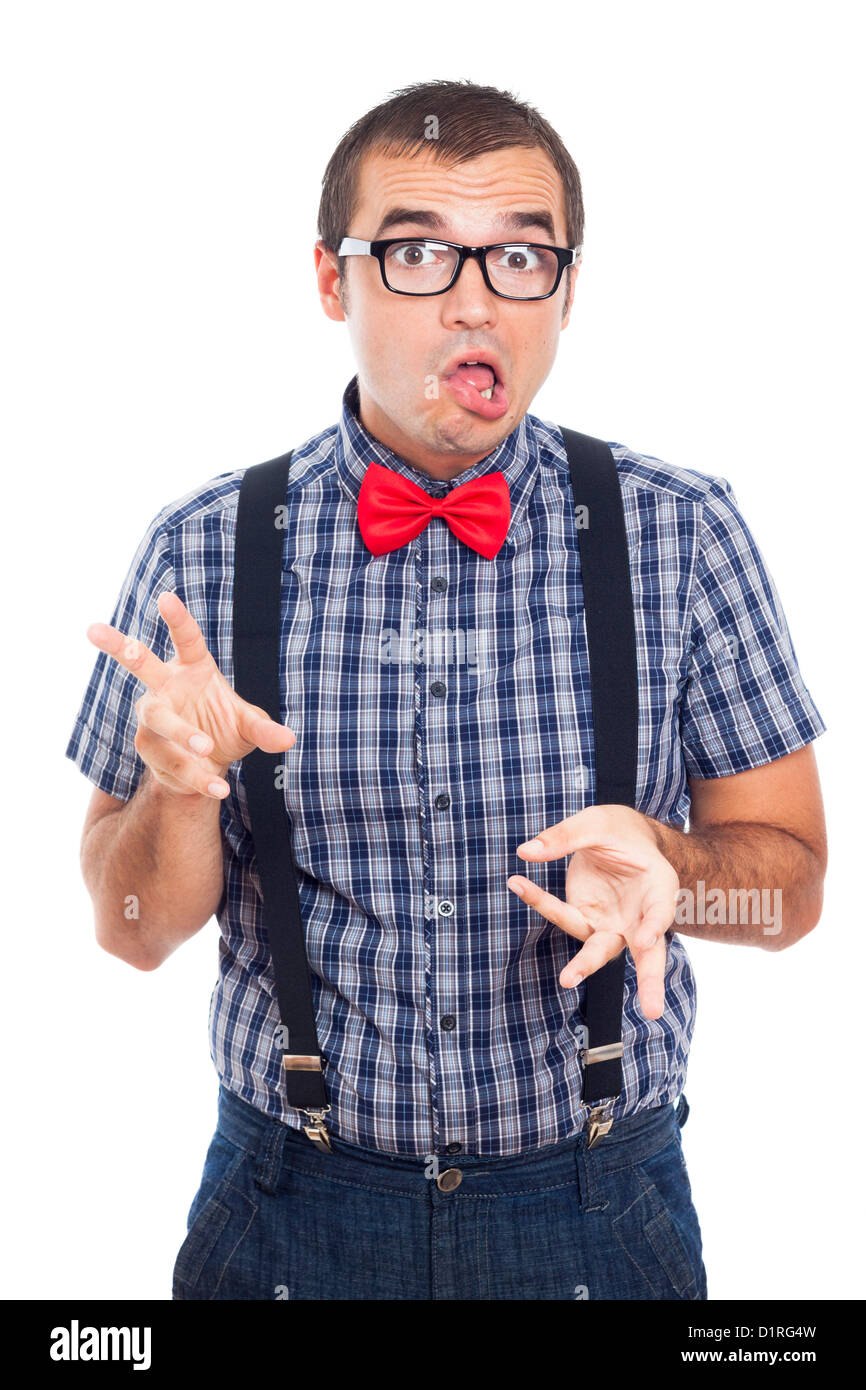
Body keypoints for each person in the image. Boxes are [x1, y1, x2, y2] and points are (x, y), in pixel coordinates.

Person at [66, 79, 827, 1301]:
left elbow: (788, 906)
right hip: (285, 1216)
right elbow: (131, 933)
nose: (473, 302)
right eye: (416, 252)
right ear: (332, 280)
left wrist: (679, 878)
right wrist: (175, 793)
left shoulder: (680, 534)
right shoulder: (201, 552)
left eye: (520, 256)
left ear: (566, 288)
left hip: (595, 1211)